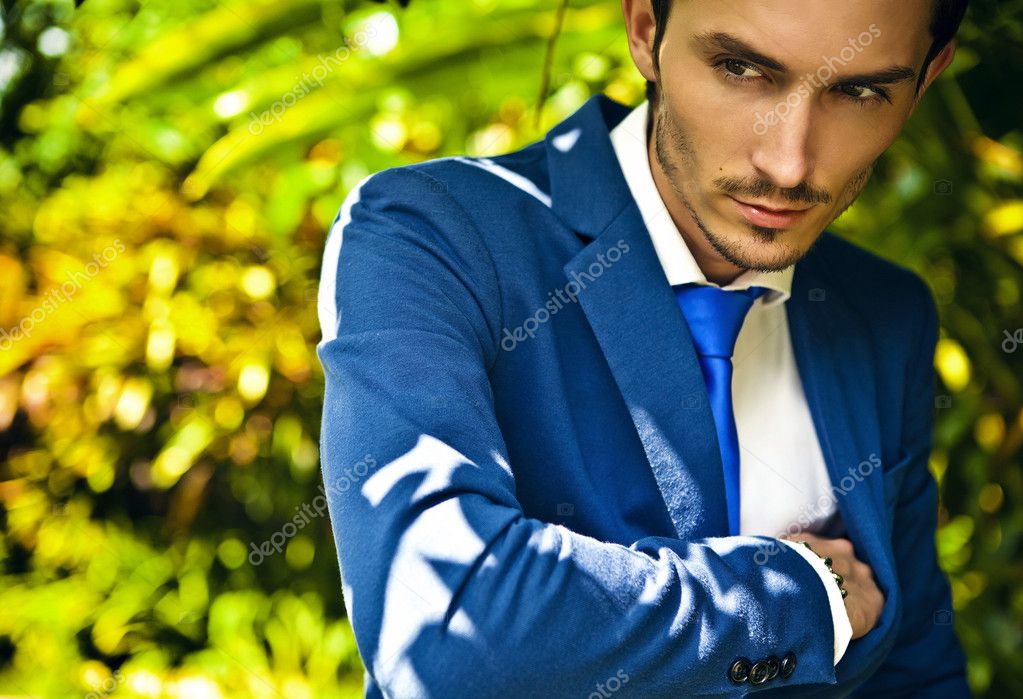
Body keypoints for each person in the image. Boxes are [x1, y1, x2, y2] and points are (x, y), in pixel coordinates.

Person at [316, 0, 971, 696]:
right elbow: (447, 637)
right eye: (740, 68)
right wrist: (798, 596)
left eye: (859, 91)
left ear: (927, 77)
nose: (786, 163)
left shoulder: (883, 313)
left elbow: (914, 669)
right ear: (644, 29)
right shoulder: (434, 234)